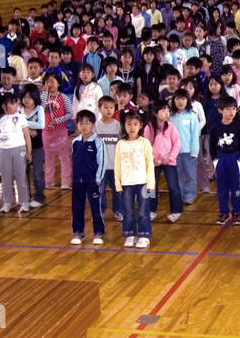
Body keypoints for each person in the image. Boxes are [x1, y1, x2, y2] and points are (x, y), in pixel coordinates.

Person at [115, 112, 155, 248]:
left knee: (144, 210)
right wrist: (117, 183)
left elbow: (150, 164)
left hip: (144, 183)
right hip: (126, 183)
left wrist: (151, 183)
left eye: (135, 124)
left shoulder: (145, 143)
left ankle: (144, 235)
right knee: (128, 211)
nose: (132, 127)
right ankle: (130, 234)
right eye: (129, 124)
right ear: (124, 126)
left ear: (140, 126)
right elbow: (117, 165)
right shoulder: (121, 144)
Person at [70, 109, 107, 246]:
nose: (84, 126)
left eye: (87, 123)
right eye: (81, 123)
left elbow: (102, 162)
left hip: (92, 181)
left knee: (95, 207)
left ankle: (98, 232)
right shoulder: (75, 142)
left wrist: (98, 179)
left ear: (93, 124)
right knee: (77, 207)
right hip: (77, 180)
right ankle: (78, 232)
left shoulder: (98, 142)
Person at [209, 96, 240, 226]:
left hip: (235, 158)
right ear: (220, 110)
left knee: (236, 187)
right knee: (222, 189)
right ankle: (223, 212)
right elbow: (211, 145)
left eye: (234, 109)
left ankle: (237, 212)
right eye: (228, 109)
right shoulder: (215, 128)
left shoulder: (239, 127)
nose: (231, 112)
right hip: (221, 158)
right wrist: (215, 159)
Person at [144, 100, 184, 223]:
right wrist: (153, 158)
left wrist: (170, 157)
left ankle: (176, 211)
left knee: (173, 187)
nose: (167, 113)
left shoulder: (171, 127)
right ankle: (150, 210)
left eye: (168, 110)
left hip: (169, 162)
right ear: (156, 113)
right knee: (151, 187)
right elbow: (146, 145)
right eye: (163, 110)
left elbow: (177, 144)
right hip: (154, 162)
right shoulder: (149, 127)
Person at [0, 93, 32, 213]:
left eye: (16, 102)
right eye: (12, 103)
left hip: (19, 149)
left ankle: (24, 201)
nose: (15, 105)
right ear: (4, 106)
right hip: (3, 150)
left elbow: (27, 135)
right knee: (6, 178)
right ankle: (7, 202)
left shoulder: (20, 117)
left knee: (21, 177)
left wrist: (29, 151)